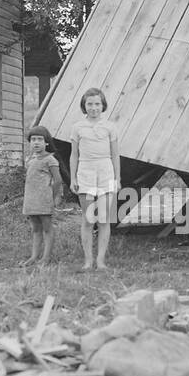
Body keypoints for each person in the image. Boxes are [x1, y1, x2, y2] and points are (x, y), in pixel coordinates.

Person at [69, 87, 120, 271]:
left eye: (97, 103)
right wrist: (73, 177)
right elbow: (74, 155)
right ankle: (88, 260)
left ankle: (100, 261)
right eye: (89, 104)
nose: (93, 107)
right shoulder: (77, 128)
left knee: (104, 218)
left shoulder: (110, 127)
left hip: (106, 173)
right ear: (84, 106)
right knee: (89, 218)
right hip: (86, 173)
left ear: (103, 105)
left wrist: (117, 178)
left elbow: (115, 155)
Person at [21, 125, 63, 267]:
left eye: (40, 139)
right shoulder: (29, 160)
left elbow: (57, 180)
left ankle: (46, 258)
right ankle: (34, 256)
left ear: (46, 142)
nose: (36, 142)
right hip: (30, 200)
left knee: (47, 228)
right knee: (35, 228)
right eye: (33, 139)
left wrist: (53, 197)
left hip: (44, 199)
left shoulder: (50, 160)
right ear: (30, 142)